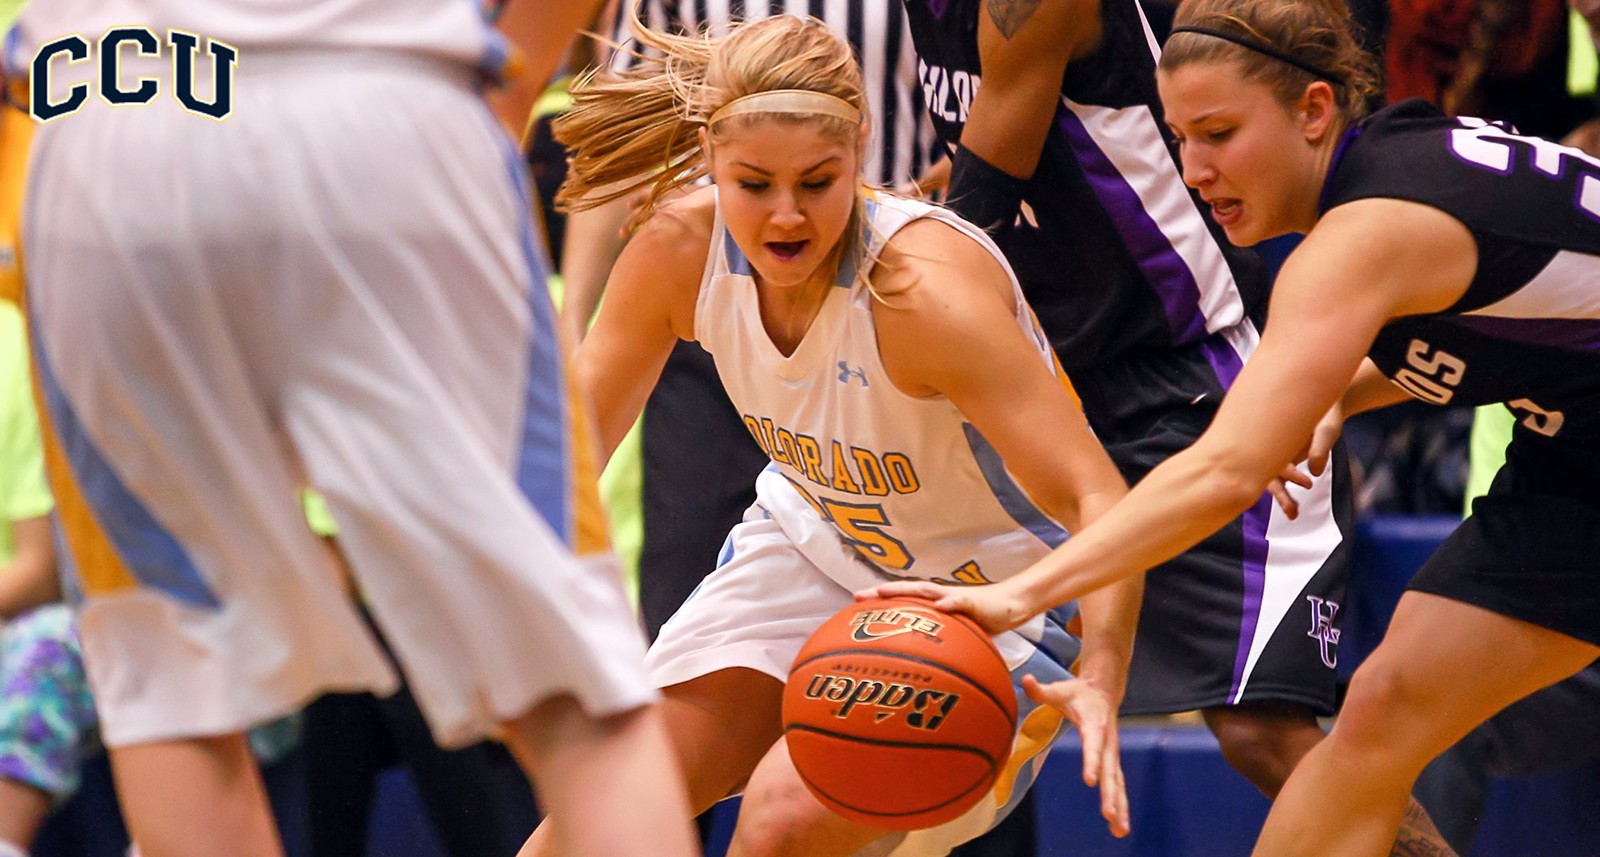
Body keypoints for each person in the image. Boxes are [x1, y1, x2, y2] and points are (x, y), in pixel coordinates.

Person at [865, 0, 1600, 853]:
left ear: (1315, 111)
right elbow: (1538, 311)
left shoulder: (1362, 235)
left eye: (1218, 133)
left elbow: (1225, 469)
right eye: (1179, 139)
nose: (1195, 169)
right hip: (1570, 453)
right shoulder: (1400, 175)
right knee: (1380, 711)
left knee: (1325, 724)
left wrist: (1024, 591)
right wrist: (1341, 397)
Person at [13, 3, 699, 857]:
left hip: (112, 109)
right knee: (574, 694)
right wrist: (496, 84)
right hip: (385, 94)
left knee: (173, 684)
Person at [523, 13, 1142, 857]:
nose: (786, 217)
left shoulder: (924, 296)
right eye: (754, 184)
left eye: (818, 182)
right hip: (813, 544)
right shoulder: (677, 249)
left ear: (862, 147)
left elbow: (1096, 495)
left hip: (994, 595)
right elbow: (573, 452)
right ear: (709, 152)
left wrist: (1104, 671)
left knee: (780, 822)